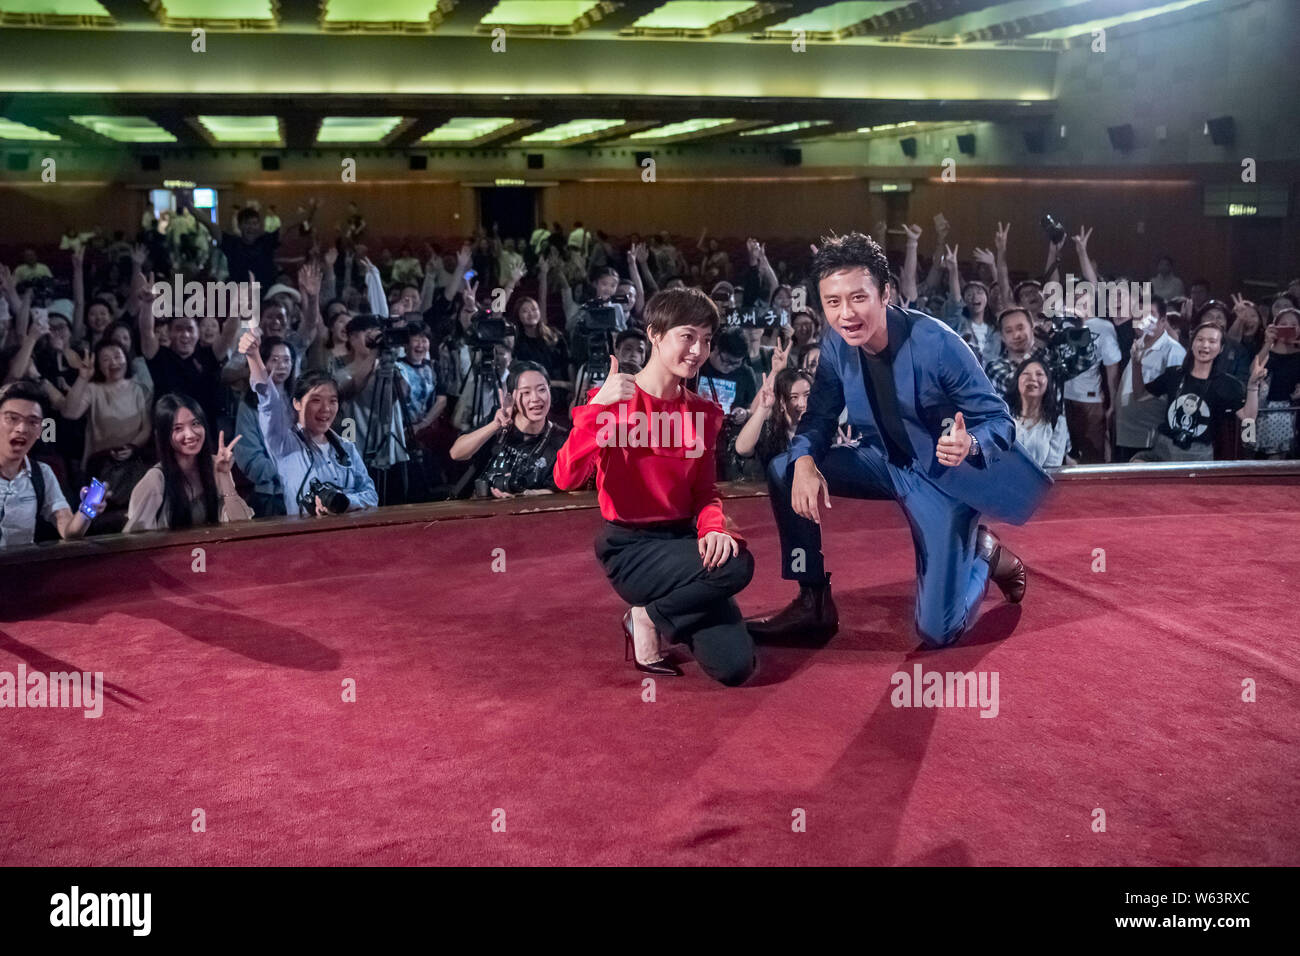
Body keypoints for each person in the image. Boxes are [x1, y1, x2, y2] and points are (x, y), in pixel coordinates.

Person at [748, 233, 1051, 648]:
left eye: (858, 298)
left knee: (937, 632)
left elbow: (998, 419)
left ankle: (984, 556)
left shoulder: (938, 343)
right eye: (832, 302)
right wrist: (804, 462)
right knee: (785, 467)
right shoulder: (836, 344)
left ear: (885, 292)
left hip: (942, 478)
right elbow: (818, 418)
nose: (845, 314)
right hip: (881, 462)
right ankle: (812, 601)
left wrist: (972, 445)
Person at [553, 287, 756, 686]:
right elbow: (566, 478)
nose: (698, 350)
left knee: (734, 667)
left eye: (706, 339)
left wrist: (712, 526)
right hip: (631, 550)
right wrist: (596, 412)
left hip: (683, 543)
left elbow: (704, 493)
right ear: (655, 335)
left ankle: (649, 614)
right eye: (687, 336)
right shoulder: (611, 400)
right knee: (737, 565)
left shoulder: (703, 412)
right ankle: (648, 616)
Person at [241, 328, 378, 516]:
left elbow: (371, 495)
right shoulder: (284, 444)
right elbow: (268, 401)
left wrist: (346, 502)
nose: (326, 409)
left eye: (332, 400)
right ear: (297, 403)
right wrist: (254, 357)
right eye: (316, 400)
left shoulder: (346, 448)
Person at [1130, 322, 1265, 462]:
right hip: (1163, 447)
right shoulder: (1174, 374)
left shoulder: (1227, 384)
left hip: (1197, 454)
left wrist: (1253, 386)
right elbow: (1140, 395)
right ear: (1192, 343)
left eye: (1212, 341)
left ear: (1221, 348)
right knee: (1137, 464)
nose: (1205, 345)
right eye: (1200, 339)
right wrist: (1136, 363)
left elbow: (1248, 417)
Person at [123, 393, 253, 532]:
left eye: (195, 424)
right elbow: (134, 539)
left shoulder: (215, 465)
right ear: (163, 435)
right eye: (178, 428)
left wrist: (224, 475)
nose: (190, 434)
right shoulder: (156, 479)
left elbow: (241, 525)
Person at [0, 381, 106, 547]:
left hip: (22, 567)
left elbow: (69, 533)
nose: (22, 428)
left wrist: (86, 511)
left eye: (33, 421)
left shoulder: (42, 474)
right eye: (12, 419)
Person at [450, 361, 567, 499]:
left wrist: (525, 495)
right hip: (480, 510)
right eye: (526, 392)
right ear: (512, 397)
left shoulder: (561, 439)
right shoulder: (497, 422)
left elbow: (559, 491)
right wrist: (494, 426)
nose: (535, 398)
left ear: (549, 391)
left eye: (541, 389)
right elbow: (456, 453)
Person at [234, 336, 296, 516]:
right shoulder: (249, 405)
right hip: (270, 494)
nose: (281, 366)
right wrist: (286, 469)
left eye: (286, 360)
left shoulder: (299, 399)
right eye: (274, 360)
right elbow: (249, 456)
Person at [1114, 306, 1185, 460]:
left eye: (1149, 314)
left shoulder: (1174, 351)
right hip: (1126, 434)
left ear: (1163, 321)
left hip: (1151, 438)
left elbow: (1176, 397)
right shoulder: (1137, 345)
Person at [1006, 358, 1068, 469]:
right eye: (1026, 374)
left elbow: (1053, 466)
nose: (1033, 378)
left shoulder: (1057, 422)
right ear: (1017, 380)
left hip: (1041, 484)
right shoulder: (1004, 417)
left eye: (1039, 374)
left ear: (1048, 382)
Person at [1255, 307, 1300, 458]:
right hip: (1266, 411)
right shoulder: (1266, 351)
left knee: (1287, 457)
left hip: (1293, 412)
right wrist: (1268, 342)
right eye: (1284, 324)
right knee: (1268, 457)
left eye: (1294, 324)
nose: (1289, 327)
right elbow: (1253, 372)